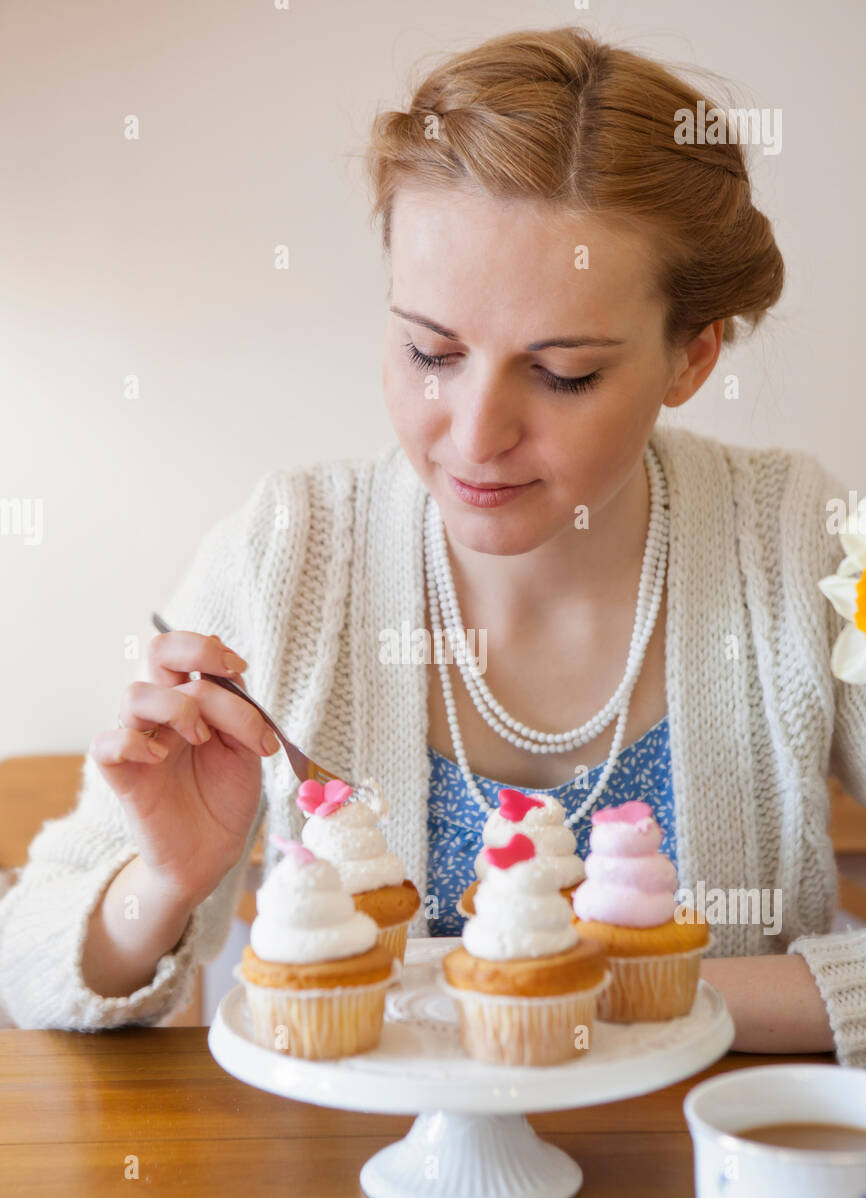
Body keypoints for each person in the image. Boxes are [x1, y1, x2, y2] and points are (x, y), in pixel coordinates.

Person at [1, 25, 865, 1065]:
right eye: (429, 350)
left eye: (562, 373)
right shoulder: (289, 552)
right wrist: (166, 881)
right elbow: (31, 958)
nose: (472, 433)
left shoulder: (800, 545)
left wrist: (595, 997)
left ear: (689, 355)